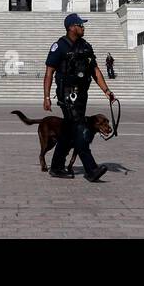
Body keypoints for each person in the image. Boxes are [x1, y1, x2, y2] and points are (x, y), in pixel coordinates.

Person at [44, 12, 114, 182]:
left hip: (82, 95)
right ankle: (91, 169)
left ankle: (56, 167)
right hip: (67, 95)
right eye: (80, 25)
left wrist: (107, 91)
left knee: (67, 133)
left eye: (82, 25)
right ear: (71, 27)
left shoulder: (86, 46)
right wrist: (46, 97)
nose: (83, 27)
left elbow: (95, 70)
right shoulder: (59, 46)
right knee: (80, 130)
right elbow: (49, 73)